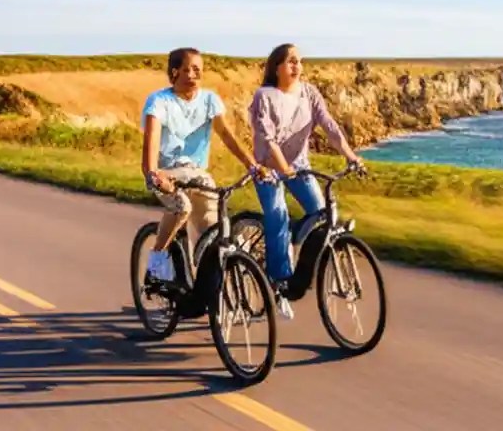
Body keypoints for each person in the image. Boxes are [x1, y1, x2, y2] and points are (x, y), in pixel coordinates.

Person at [249, 42, 364, 320]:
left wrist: (351, 157)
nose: (296, 66)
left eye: (299, 61)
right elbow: (267, 138)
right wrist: (284, 169)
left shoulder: (309, 93)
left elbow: (330, 127)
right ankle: (279, 282)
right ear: (276, 67)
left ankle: (300, 250)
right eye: (290, 61)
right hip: (268, 166)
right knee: (277, 216)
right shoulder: (264, 96)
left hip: (298, 165)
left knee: (320, 214)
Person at [141, 47, 261, 282]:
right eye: (188, 69)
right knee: (181, 207)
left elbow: (226, 135)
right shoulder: (159, 102)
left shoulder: (209, 101)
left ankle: (206, 289)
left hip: (197, 174)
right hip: (167, 173)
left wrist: (252, 165)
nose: (194, 74)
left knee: (214, 230)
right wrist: (153, 173)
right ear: (174, 72)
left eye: (198, 69)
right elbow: (152, 140)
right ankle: (157, 259)